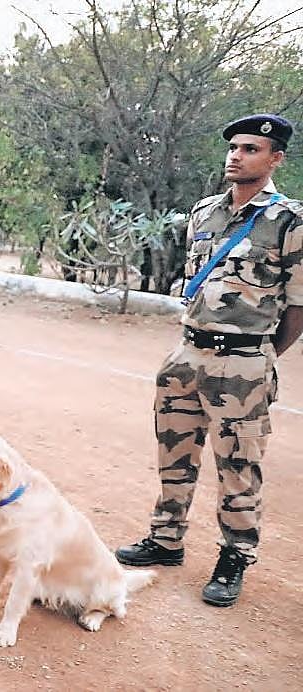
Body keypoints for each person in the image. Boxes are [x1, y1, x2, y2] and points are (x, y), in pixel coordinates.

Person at [116, 114, 303, 607]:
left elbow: (299, 304)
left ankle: (235, 556)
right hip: (186, 352)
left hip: (242, 362)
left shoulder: (291, 221)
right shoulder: (204, 213)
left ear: (275, 158)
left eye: (251, 149)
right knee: (173, 452)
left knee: (239, 464)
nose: (236, 156)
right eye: (234, 147)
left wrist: (257, 355)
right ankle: (166, 538)